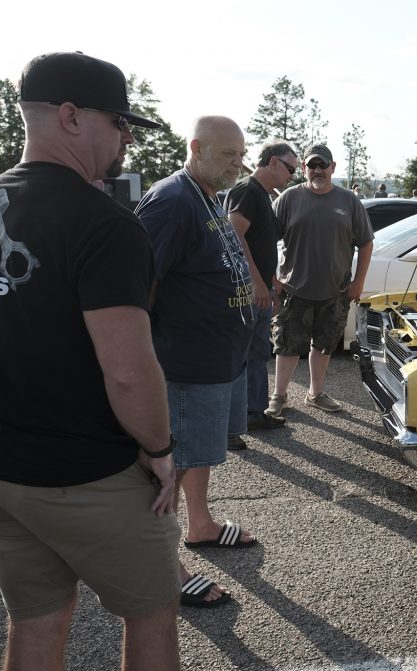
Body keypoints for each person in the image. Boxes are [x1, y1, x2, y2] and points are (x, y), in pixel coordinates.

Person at [0, 52, 180, 670]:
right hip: (81, 473)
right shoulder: (103, 223)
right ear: (72, 116)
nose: (127, 137)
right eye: (120, 121)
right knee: (152, 611)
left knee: (36, 622)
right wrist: (159, 449)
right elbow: (129, 370)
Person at [136, 115, 258, 608]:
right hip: (183, 364)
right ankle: (165, 565)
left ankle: (201, 526)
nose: (239, 163)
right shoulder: (171, 200)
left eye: (240, 153)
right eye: (229, 154)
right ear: (196, 148)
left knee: (198, 453)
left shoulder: (207, 194)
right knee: (173, 465)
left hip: (214, 360)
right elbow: (140, 285)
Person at [266, 144, 373, 418]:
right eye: (311, 165)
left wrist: (358, 282)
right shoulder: (289, 199)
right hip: (294, 290)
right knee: (287, 345)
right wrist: (273, 278)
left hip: (335, 291)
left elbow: (366, 243)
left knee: (324, 345)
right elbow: (265, 240)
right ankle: (279, 396)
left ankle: (315, 393)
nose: (317, 170)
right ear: (304, 168)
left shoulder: (349, 201)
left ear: (332, 167)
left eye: (322, 165)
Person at [224, 140, 298, 441]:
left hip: (261, 289)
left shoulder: (263, 196)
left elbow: (260, 243)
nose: (293, 175)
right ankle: (230, 426)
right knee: (238, 357)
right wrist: (256, 282)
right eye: (290, 168)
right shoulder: (246, 191)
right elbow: (234, 236)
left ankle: (253, 413)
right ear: (273, 162)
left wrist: (271, 282)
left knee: (257, 353)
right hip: (246, 291)